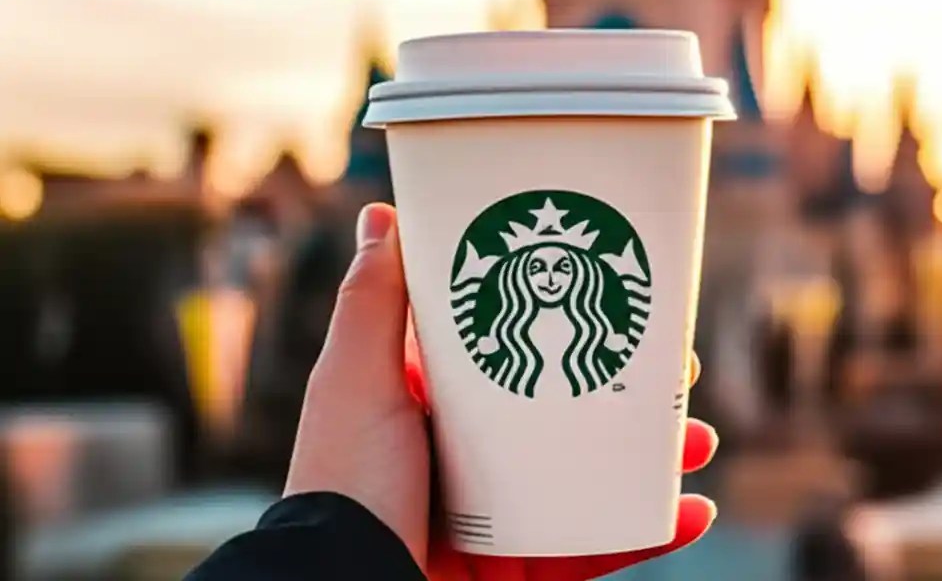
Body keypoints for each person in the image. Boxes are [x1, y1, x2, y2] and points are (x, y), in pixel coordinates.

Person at [187, 203, 719, 580]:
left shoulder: (593, 335)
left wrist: (340, 549)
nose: (550, 279)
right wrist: (347, 540)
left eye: (563, 266)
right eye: (537, 265)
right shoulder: (507, 333)